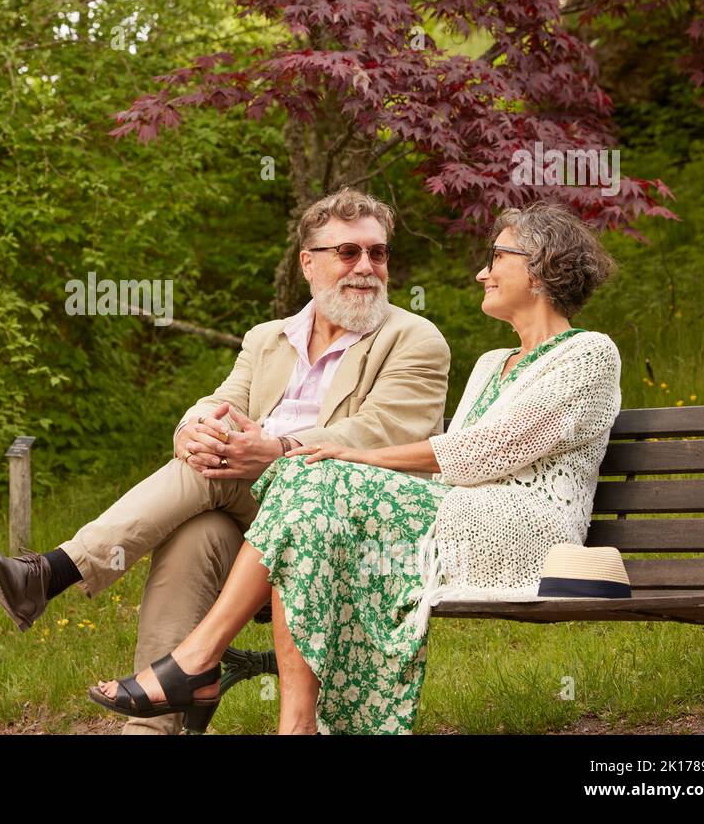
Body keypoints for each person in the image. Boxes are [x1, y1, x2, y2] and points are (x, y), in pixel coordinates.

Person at [87, 200, 622, 734]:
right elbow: (454, 469)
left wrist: (356, 457)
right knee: (308, 491)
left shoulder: (589, 353)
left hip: (528, 536)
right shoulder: (489, 364)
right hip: (458, 519)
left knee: (311, 475)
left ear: (540, 266)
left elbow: (487, 452)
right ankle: (290, 724)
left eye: (496, 257)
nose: (482, 271)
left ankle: (196, 661)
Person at [0, 188, 451, 733]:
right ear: (308, 263)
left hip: (347, 519)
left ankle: (55, 572)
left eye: (378, 253)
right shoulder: (269, 338)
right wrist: (192, 429)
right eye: (348, 252)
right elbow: (222, 400)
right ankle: (152, 724)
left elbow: (378, 435)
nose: (367, 266)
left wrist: (273, 451)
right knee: (197, 527)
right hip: (265, 511)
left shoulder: (415, 339)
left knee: (215, 482)